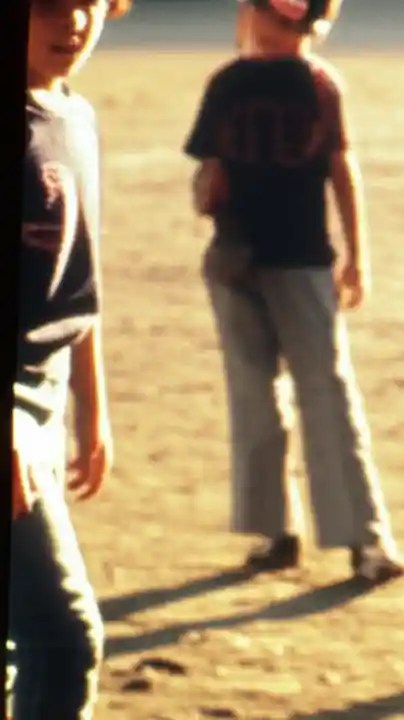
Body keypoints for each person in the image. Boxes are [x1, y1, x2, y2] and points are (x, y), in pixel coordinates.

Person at [183, 0, 404, 582]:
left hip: (302, 258)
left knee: (326, 394)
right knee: (253, 397)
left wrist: (357, 254)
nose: (289, 34)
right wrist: (209, 188)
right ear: (252, 15)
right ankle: (274, 531)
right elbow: (208, 172)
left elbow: (341, 166)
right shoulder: (229, 83)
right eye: (277, 19)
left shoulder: (317, 83)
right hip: (236, 261)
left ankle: (366, 539)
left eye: (299, 25)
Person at [9, 1, 131, 717]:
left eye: (89, 0)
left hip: (47, 398)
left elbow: (81, 278)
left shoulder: (73, 116)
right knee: (63, 636)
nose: (74, 20)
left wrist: (94, 408)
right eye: (48, 4)